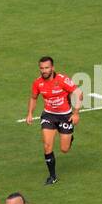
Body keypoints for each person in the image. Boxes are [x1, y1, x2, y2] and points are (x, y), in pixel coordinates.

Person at [25, 57, 83, 185]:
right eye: (42, 68)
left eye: (47, 68)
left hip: (65, 116)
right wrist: (30, 113)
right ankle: (52, 176)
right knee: (47, 146)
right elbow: (33, 98)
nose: (44, 70)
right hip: (49, 115)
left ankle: (69, 137)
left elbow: (78, 93)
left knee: (64, 149)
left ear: (52, 68)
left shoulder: (62, 80)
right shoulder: (37, 83)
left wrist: (76, 113)